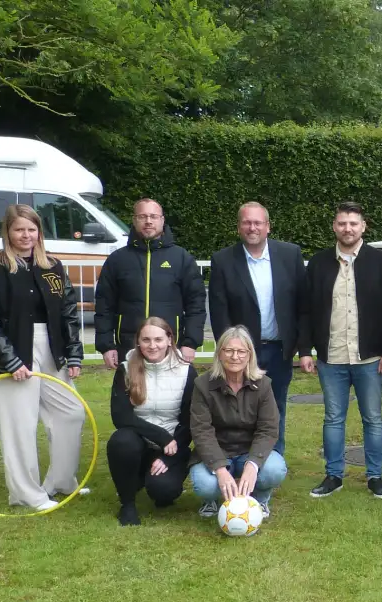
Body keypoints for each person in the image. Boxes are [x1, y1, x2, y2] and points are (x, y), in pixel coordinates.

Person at [0, 204, 86, 510]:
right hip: (13, 348)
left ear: (39, 232)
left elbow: (68, 313)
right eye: (19, 229)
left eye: (31, 229)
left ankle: (61, 480)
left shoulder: (53, 267)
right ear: (8, 232)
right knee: (19, 425)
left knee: (71, 412)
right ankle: (26, 494)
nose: (26, 235)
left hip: (52, 346)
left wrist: (73, 354)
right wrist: (10, 360)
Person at [298, 202, 382, 499]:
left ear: (363, 226)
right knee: (333, 418)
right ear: (334, 226)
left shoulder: (381, 263)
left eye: (353, 223)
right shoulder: (319, 263)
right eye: (342, 223)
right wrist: (305, 350)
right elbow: (305, 310)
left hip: (370, 358)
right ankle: (333, 475)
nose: (348, 229)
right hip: (331, 357)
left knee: (373, 419)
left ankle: (375, 476)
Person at [208, 201, 306, 456]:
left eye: (258, 223)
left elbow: (302, 304)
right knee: (239, 408)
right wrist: (229, 351)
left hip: (279, 350)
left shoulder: (290, 255)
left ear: (268, 226)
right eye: (247, 222)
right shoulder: (223, 260)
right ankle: (241, 460)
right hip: (241, 353)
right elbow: (219, 312)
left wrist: (300, 345)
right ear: (239, 227)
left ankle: (273, 462)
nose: (252, 227)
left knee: (275, 407)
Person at [94, 198, 207, 368]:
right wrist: (106, 346)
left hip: (170, 345)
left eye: (153, 216)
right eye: (143, 216)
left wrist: (190, 342)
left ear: (162, 220)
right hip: (128, 345)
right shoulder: (117, 260)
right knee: (130, 386)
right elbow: (104, 306)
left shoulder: (182, 258)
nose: (148, 221)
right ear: (134, 220)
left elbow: (196, 304)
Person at [107, 317, 198, 526]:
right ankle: (127, 503)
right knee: (121, 441)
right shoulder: (126, 369)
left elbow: (190, 421)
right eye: (146, 340)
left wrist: (168, 456)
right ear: (138, 342)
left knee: (163, 491)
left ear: (169, 340)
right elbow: (120, 417)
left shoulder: (186, 371)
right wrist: (160, 436)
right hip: (138, 441)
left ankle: (157, 482)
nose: (152, 345)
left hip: (172, 446)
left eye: (158, 339)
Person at [189, 326, 288, 518]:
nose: (235, 357)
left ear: (250, 355)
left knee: (274, 470)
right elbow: (201, 431)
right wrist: (219, 468)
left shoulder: (263, 384)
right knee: (205, 485)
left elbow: (268, 429)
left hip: (248, 451)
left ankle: (260, 499)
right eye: (229, 350)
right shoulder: (202, 385)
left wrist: (253, 464)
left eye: (241, 351)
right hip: (217, 450)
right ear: (220, 354)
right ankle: (210, 501)